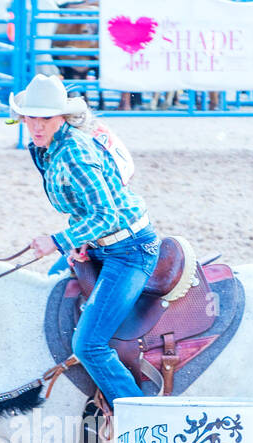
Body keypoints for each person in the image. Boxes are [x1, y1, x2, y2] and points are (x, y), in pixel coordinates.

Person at [10, 73, 160, 410]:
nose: (36, 125)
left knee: (90, 343)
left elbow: (107, 216)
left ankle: (139, 414)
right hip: (102, 244)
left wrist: (60, 240)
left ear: (61, 117)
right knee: (49, 299)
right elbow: (88, 210)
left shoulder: (74, 151)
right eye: (31, 117)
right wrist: (80, 238)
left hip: (130, 250)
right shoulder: (47, 148)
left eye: (45, 118)